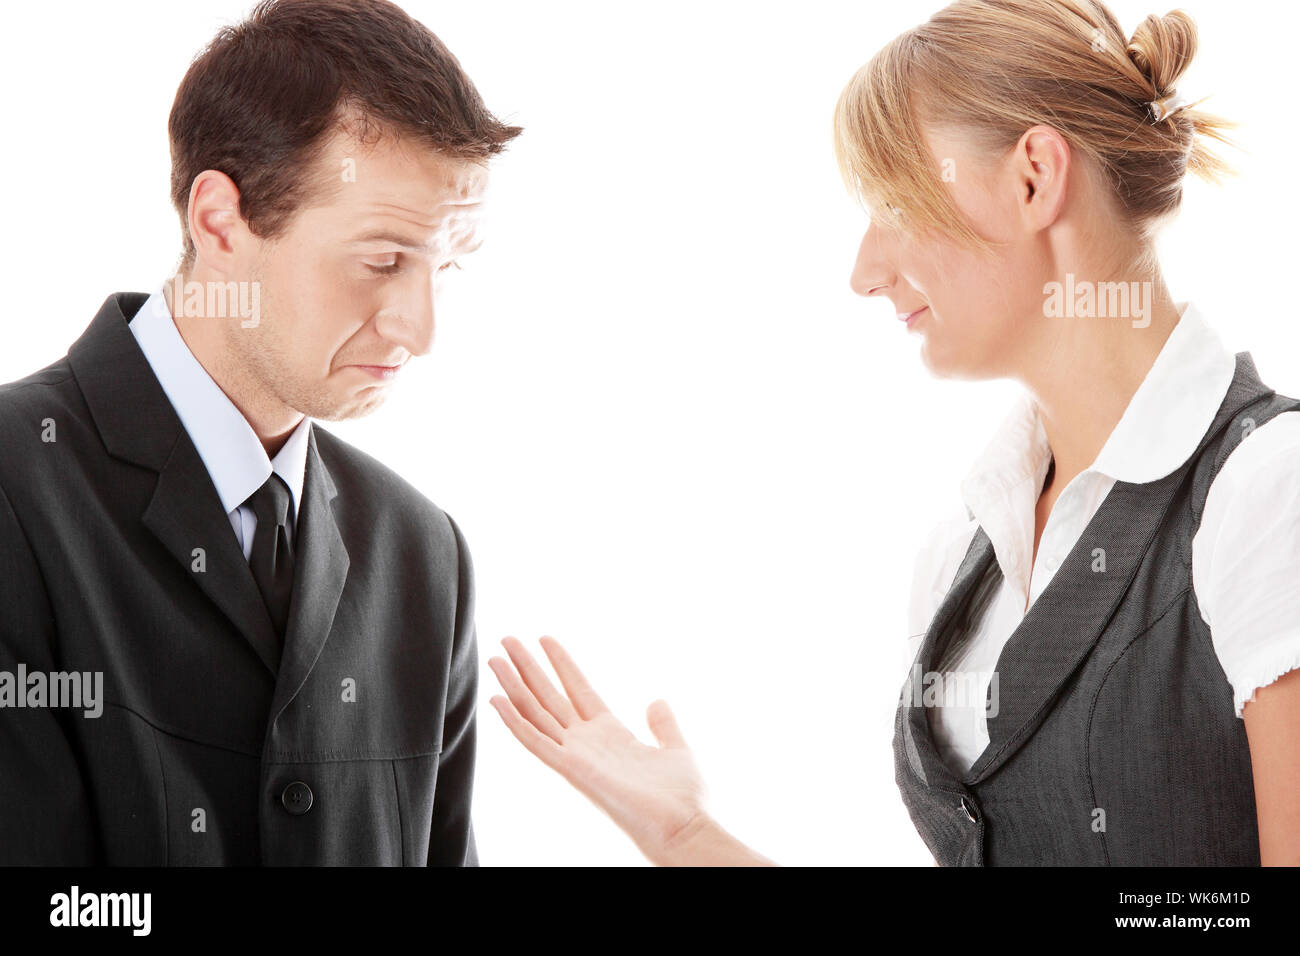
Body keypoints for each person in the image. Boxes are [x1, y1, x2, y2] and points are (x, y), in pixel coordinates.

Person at [486, 0, 1300, 865]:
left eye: (891, 203)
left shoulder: (1268, 489)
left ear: (1034, 176)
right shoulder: (964, 557)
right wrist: (685, 836)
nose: (864, 272)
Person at [0, 0, 520, 865]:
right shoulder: (17, 489)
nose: (419, 329)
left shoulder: (424, 555)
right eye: (384, 261)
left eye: (445, 267)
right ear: (220, 222)